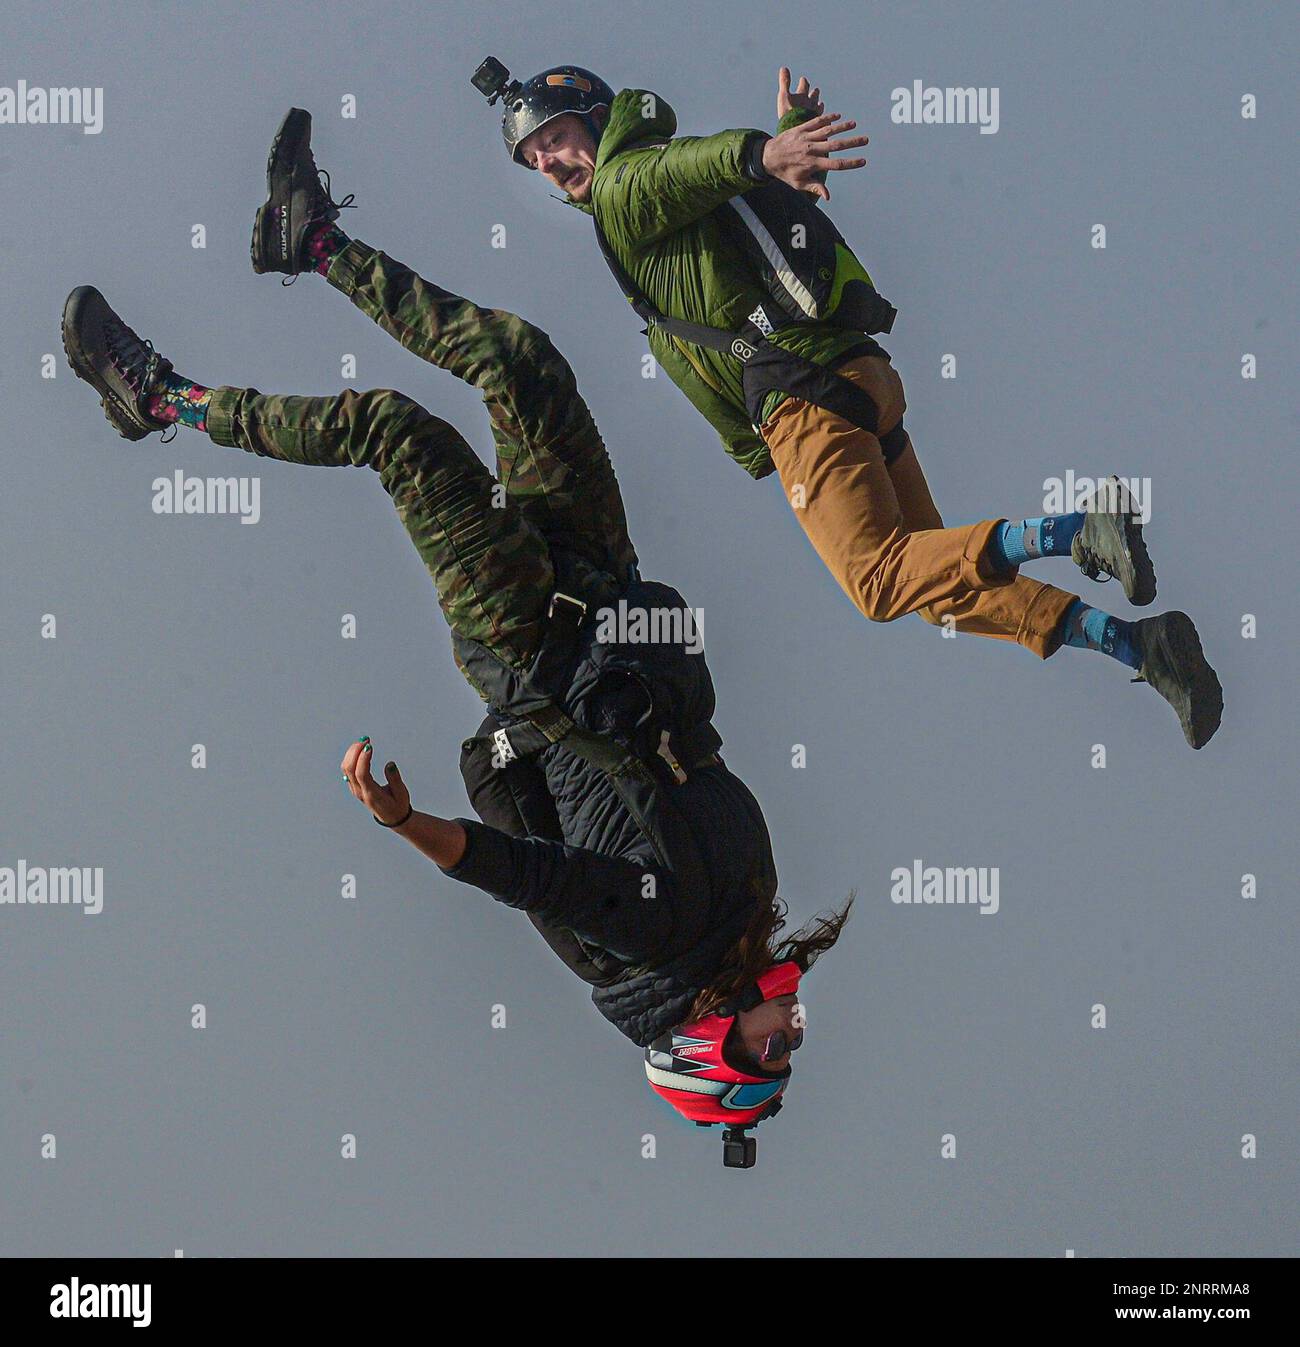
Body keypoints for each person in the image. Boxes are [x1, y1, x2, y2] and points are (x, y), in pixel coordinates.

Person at [60, 109, 851, 1167]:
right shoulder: (747, 905)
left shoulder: (650, 939)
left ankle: (159, 399)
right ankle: (311, 241)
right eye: (790, 1049)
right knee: (521, 365)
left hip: (526, 639)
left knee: (393, 432)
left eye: (770, 1055)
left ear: (711, 1053)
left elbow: (522, 872)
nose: (788, 1036)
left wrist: (403, 823)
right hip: (600, 585)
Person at [487, 60, 1224, 749]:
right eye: (535, 158)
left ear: (595, 120)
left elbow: (682, 167)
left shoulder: (624, 188)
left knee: (877, 582)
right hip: (856, 380)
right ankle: (1139, 644)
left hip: (804, 400)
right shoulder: (650, 217)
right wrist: (776, 151)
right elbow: (716, 218)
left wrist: (761, 157)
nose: (550, 163)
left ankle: (1076, 529)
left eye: (555, 138)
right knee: (941, 586)